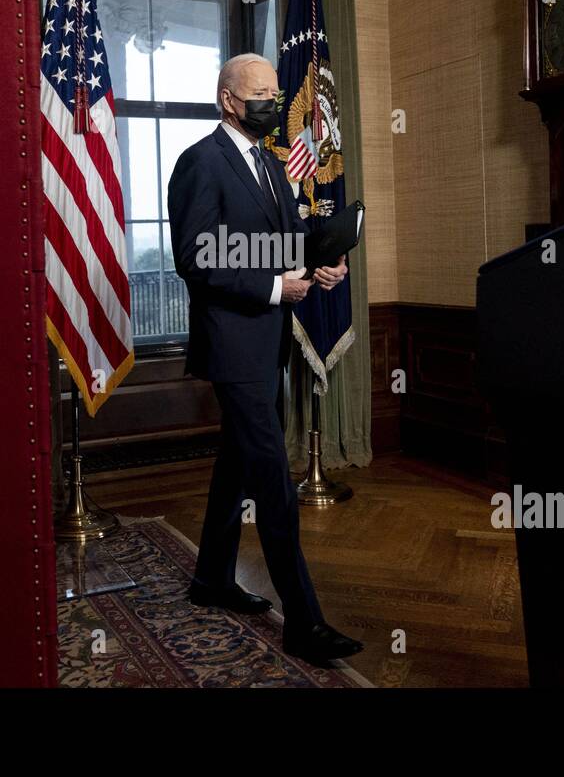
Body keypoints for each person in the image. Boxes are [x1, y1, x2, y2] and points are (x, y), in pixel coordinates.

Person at [166, 53, 363, 667]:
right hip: (233, 347)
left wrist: (326, 262)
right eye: (262, 94)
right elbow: (198, 259)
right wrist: (278, 288)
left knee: (237, 463)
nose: (274, 104)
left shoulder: (272, 167)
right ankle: (304, 621)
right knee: (274, 480)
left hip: (267, 342)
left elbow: (285, 241)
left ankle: (213, 579)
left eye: (277, 94)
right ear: (228, 99)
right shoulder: (200, 162)